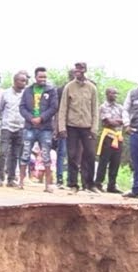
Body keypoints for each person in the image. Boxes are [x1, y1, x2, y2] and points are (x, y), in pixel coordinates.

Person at [57, 62, 100, 193]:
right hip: (72, 126)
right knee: (72, 155)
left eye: (80, 69)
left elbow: (95, 110)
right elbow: (63, 108)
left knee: (90, 155)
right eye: (76, 68)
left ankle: (89, 184)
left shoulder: (92, 88)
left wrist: (94, 128)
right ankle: (73, 184)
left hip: (87, 127)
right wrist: (61, 127)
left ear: (85, 70)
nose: (78, 71)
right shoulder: (69, 87)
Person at [19, 67, 59, 193]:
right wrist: (31, 118)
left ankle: (47, 185)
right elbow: (22, 107)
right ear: (35, 77)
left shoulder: (51, 90)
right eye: (41, 77)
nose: (43, 79)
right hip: (29, 126)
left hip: (45, 128)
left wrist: (41, 118)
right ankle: (20, 182)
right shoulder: (28, 90)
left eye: (45, 77)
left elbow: (54, 107)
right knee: (25, 153)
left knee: (46, 156)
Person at [0, 71, 28, 188]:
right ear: (15, 81)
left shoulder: (26, 94)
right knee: (3, 152)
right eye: (22, 80)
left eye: (25, 81)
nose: (24, 83)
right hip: (7, 127)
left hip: (21, 127)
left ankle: (11, 179)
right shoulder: (6, 93)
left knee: (15, 154)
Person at [93, 87, 126, 194]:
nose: (115, 95)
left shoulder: (120, 107)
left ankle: (112, 185)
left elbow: (125, 120)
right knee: (104, 160)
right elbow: (107, 122)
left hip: (118, 136)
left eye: (116, 94)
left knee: (115, 162)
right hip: (108, 136)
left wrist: (117, 121)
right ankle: (98, 183)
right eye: (112, 93)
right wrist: (117, 121)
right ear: (107, 94)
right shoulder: (103, 107)